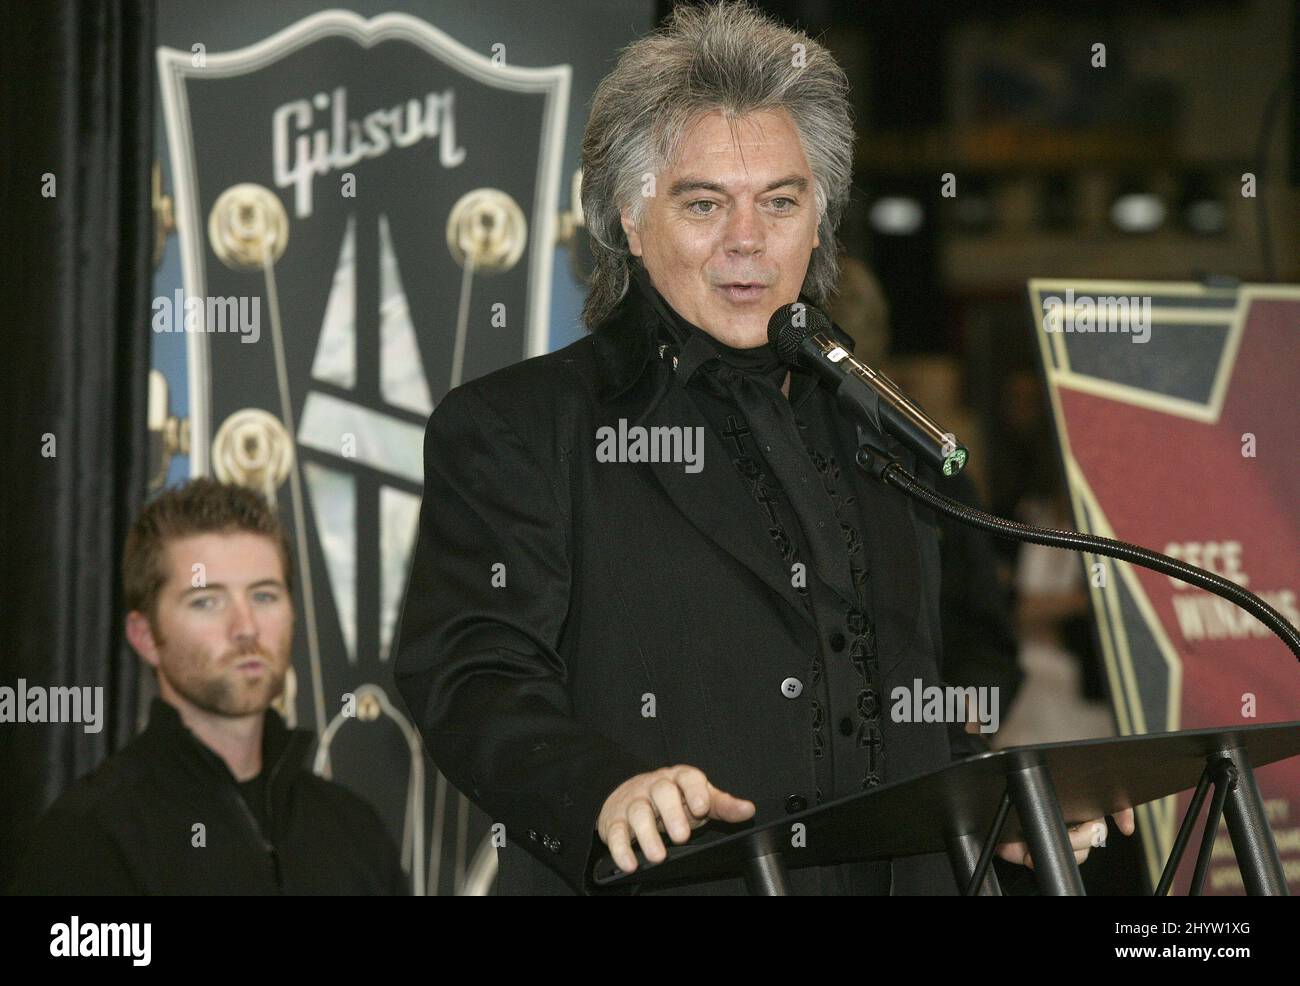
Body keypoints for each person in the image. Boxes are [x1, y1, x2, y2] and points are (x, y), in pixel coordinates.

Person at [394, 0, 1130, 896]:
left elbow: (896, 693)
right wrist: (603, 791)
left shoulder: (875, 424)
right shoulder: (518, 426)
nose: (747, 241)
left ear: (818, 222)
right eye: (703, 204)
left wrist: (989, 802)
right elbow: (471, 675)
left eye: (779, 202)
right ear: (630, 220)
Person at [9, 479, 406, 895]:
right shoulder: (90, 840)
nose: (246, 628)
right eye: (207, 601)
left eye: (264, 595)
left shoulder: (355, 830)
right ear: (145, 636)